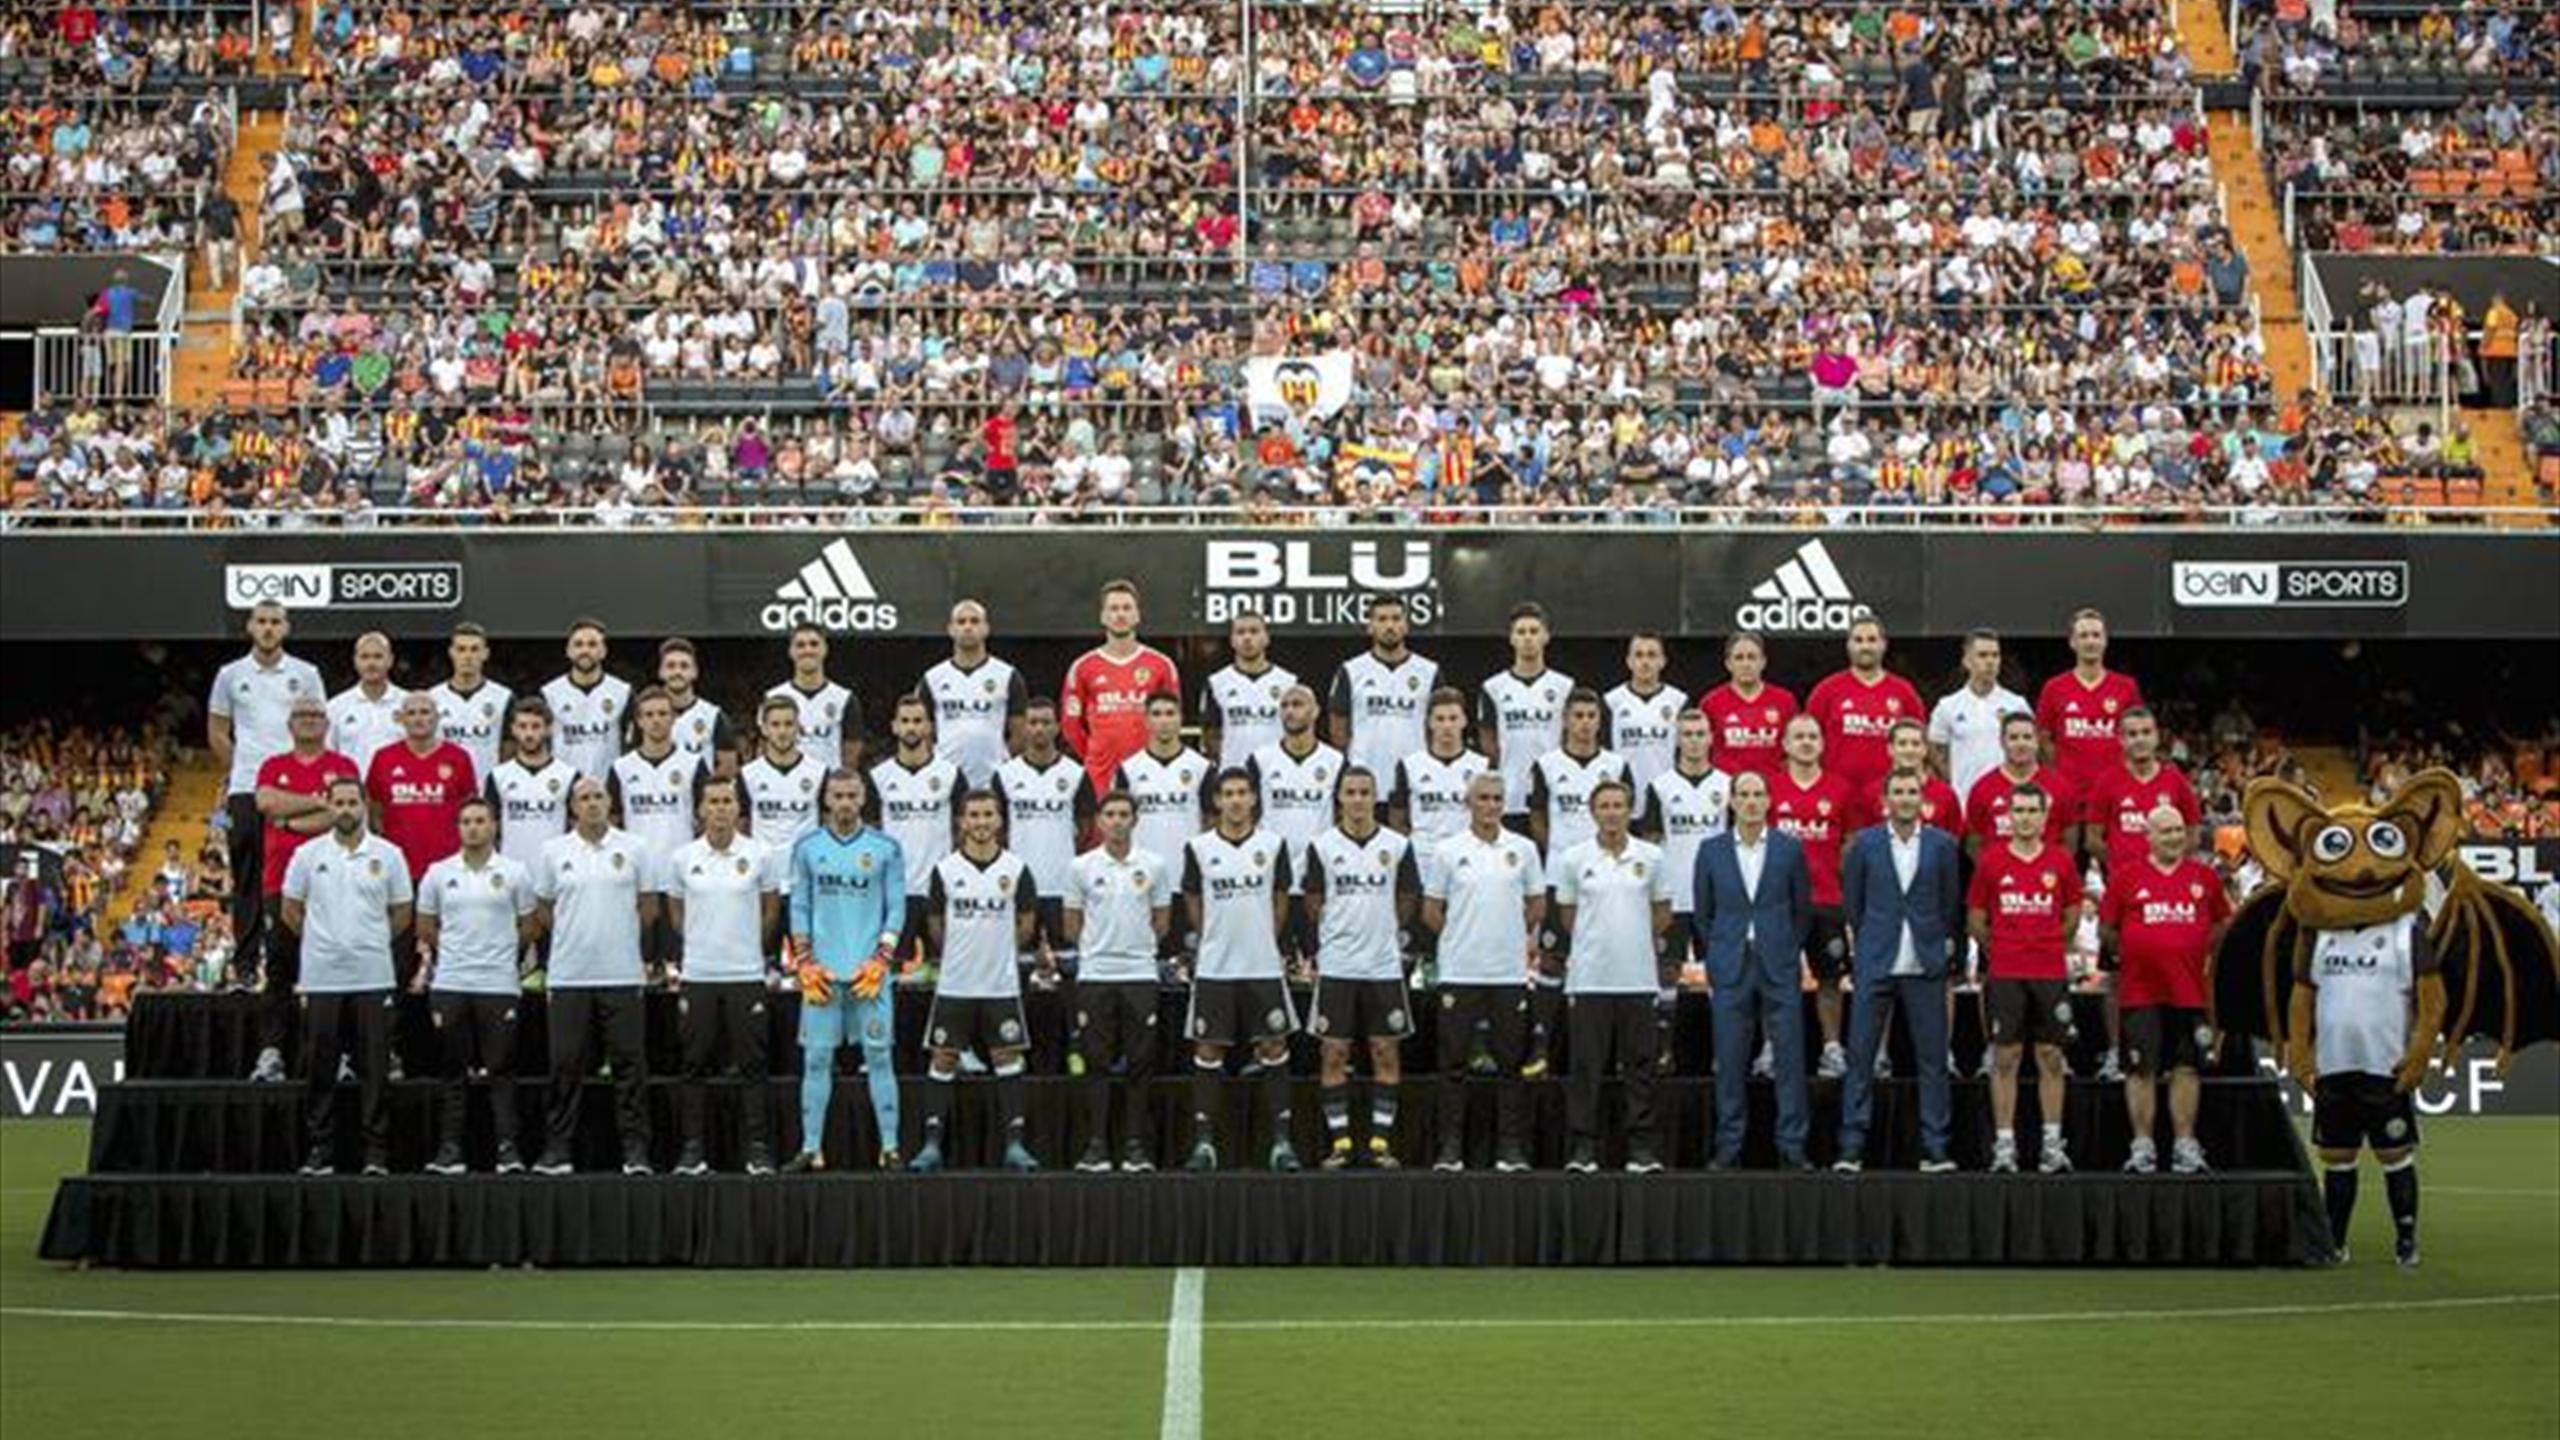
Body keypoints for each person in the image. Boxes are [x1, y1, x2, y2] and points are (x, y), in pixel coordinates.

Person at [2291, 879, 2437, 1268]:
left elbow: (2430, 998)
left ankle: (2406, 1239)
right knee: (2337, 1157)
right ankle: (2335, 1242)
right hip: (2333, 1066)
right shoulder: (2321, 934)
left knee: (2394, 1154)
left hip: (2385, 1067)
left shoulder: (2405, 932)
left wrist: (2420, 1051)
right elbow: (2302, 995)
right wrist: (2300, 1053)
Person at [278, 776, 412, 1176]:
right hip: (322, 979)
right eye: (339, 802)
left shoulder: (390, 855)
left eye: (353, 802)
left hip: (373, 977)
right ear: (329, 806)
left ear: (365, 806)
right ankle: (321, 1150)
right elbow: (290, 910)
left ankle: (376, 1153)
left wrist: (368, 943)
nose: (346, 810)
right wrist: (324, 944)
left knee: (375, 1071)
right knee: (320, 1070)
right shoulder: (307, 854)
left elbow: (402, 913)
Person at [1835, 772, 1964, 1174]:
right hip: (1876, 961)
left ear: (1922, 798)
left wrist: (1939, 948)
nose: (1906, 798)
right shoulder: (1864, 845)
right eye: (1898, 792)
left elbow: (1950, 904)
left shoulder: (1943, 846)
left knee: (1933, 1061)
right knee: (1860, 1058)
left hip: (1925, 964)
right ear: (1885, 799)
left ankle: (1935, 1147)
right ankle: (1852, 1147)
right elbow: (1854, 905)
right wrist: (1870, 941)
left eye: (1912, 792)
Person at [531, 776, 658, 1176]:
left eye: (598, 796)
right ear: (572, 807)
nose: (592, 803)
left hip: (622, 974)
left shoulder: (635, 848)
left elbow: (648, 907)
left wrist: (619, 937)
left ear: (610, 803)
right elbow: (544, 907)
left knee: (629, 1067)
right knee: (564, 1067)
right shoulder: (553, 851)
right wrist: (575, 935)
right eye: (584, 798)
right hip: (569, 975)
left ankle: (636, 1152)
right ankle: (558, 1150)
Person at [912, 791, 1042, 1172]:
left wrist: (998, 952)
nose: (981, 822)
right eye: (974, 815)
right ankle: (931, 1146)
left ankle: (1015, 1146)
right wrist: (960, 955)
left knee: (1007, 1057)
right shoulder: (945, 870)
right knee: (943, 1057)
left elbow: (1026, 925)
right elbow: (936, 927)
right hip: (955, 985)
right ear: (961, 821)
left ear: (999, 820)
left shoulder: (1016, 869)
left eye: (988, 814)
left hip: (1001, 986)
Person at [786, 770, 908, 1171]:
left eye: (851, 795)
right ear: (825, 799)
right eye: (837, 795)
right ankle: (811, 1148)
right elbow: (799, 906)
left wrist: (882, 959)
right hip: (821, 974)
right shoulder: (807, 847)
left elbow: (896, 908)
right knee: (816, 1059)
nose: (844, 803)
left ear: (863, 798)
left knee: (879, 1057)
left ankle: (890, 1147)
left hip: (869, 974)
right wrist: (805, 961)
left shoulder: (886, 848)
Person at [1420, 772, 1543, 1171]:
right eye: (1483, 798)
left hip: (1508, 973)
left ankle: (1510, 1150)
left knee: (1511, 1066)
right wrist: (1460, 937)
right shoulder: (1447, 850)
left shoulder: (1523, 849)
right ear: (1468, 803)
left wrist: (1509, 936)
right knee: (1453, 1066)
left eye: (1497, 799)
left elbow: (1536, 904)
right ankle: (1450, 1149)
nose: (1490, 805)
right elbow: (1431, 910)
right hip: (1460, 972)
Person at [661, 777, 782, 1175]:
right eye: (712, 801)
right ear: (699, 810)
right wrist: (702, 944)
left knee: (753, 1066)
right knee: (693, 1065)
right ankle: (692, 1150)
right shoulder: (682, 858)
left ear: (738, 809)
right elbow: (676, 914)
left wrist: (747, 946)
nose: (720, 808)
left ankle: (758, 1150)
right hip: (698, 975)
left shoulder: (760, 855)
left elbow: (770, 911)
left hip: (745, 975)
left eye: (727, 801)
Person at [1692, 772, 1812, 1169]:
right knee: (1729, 1061)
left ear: (1769, 800)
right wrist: (1720, 950)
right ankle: (1729, 1146)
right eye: (1743, 794)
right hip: (1731, 965)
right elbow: (1704, 914)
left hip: (1778, 962)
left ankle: (1792, 1145)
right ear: (1731, 801)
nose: (1750, 802)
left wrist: (1785, 946)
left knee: (1790, 1059)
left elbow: (1801, 911)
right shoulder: (1711, 850)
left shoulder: (1788, 849)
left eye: (1758, 794)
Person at [1180, 769, 1297, 1171]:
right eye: (1227, 793)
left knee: (1274, 1047)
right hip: (1216, 967)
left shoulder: (1273, 844)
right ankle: (1204, 1145)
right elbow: (1193, 901)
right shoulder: (1199, 847)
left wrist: (1264, 937)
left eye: (1242, 793)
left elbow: (1280, 898)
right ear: (1216, 801)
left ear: (1253, 799)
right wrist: (1212, 936)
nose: (1234, 800)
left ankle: (1281, 1144)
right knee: (1208, 1049)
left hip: (1262, 965)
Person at [2103, 804, 2230, 1175]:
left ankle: (2184, 1145)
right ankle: (2142, 1146)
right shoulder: (2126, 878)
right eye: (2166, 831)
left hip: (2189, 991)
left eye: (2178, 830)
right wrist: (2134, 952)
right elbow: (2107, 930)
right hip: (2140, 992)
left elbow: (2223, 922)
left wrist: (2198, 948)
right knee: (2140, 1070)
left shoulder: (2205, 878)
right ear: (2149, 837)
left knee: (2187, 1068)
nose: (2174, 837)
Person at [1302, 768, 1420, 1168]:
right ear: (1339, 798)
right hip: (1338, 965)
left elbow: (1406, 898)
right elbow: (1313, 902)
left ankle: (1380, 1144)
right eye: (1350, 792)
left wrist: (1384, 932)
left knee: (1385, 1052)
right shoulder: (1322, 846)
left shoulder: (1398, 846)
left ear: (1375, 797)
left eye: (1364, 792)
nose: (1357, 799)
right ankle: (1341, 1144)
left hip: (1383, 966)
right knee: (1334, 1053)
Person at [1555, 780, 1672, 1173]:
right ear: (1593, 812)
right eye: (1604, 805)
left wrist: (1631, 939)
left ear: (1629, 810)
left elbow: (1662, 913)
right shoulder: (1573, 858)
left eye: (1618, 805)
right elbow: (1569, 916)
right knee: (1586, 1069)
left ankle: (1641, 1150)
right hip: (1589, 980)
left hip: (1638, 979)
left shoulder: (1652, 856)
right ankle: (1582, 1149)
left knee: (1640, 1068)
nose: (1611, 812)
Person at [417, 796, 536, 1175]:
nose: (473, 827)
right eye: (466, 821)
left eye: (480, 820)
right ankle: (450, 1151)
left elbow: (529, 926)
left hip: (499, 984)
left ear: (495, 826)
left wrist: (501, 954)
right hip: (451, 982)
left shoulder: (515, 872)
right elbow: (425, 926)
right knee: (453, 1072)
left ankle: (508, 1150)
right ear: (458, 828)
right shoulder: (438, 872)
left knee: (502, 1071)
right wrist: (458, 952)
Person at [2081, 706, 2201, 1082]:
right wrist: (2125, 870)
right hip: (2125, 898)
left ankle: (2166, 1055)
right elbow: (2092, 838)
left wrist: (2168, 865)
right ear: (2120, 739)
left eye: (2145, 732)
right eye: (2131, 733)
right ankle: (2116, 1052)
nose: (2139, 740)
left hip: (2169, 896)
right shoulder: (2108, 782)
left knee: (2168, 976)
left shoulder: (2174, 781)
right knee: (2116, 978)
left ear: (2157, 735)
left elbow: (2193, 832)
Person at [1968, 784, 2082, 1174]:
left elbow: (2072, 913)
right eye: (2019, 810)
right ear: (2009, 816)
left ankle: (2052, 1144)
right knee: (2005, 1057)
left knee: (2051, 1056)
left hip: (2049, 972)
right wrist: (2004, 947)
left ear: (2045, 816)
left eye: (2033, 810)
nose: (2026, 817)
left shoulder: (2061, 860)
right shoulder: (1991, 862)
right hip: (2006, 973)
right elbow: (1976, 919)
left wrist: (2047, 943)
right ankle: (2005, 1145)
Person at [247, 695, 358, 1083]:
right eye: (301, 715)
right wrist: (316, 803)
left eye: (315, 715)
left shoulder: (343, 766)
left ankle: (340, 1054)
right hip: (279, 882)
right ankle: (272, 1053)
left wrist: (290, 822)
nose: (309, 720)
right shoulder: (273, 765)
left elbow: (341, 815)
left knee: (336, 972)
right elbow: (266, 802)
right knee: (279, 969)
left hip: (334, 883)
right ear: (290, 724)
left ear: (327, 724)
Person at [210, 598, 325, 967]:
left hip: (295, 791)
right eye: (261, 621)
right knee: (247, 878)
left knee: (303, 874)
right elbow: (217, 731)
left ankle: (307, 959)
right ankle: (246, 964)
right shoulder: (230, 674)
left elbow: (318, 726)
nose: (268, 628)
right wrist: (242, 768)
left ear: (286, 628)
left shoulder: (306, 674)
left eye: (275, 621)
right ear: (250, 627)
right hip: (246, 789)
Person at [1064, 792, 1171, 1171]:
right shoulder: (1080, 866)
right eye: (1110, 814)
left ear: (1135, 820)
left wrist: (1135, 950)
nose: (1117, 821)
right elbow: (1071, 925)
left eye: (1124, 814)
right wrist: (1099, 951)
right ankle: (1096, 1146)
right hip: (1096, 975)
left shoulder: (1155, 865)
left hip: (1140, 975)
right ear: (1099, 821)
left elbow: (1161, 922)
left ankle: (1135, 1147)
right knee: (1096, 1063)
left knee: (1140, 1064)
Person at [367, 693, 477, 1006]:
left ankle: (447, 1027)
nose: (419, 718)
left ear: (437, 718)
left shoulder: (458, 758)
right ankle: (400, 1029)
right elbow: (375, 809)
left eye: (425, 712)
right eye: (412, 712)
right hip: (399, 874)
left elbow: (469, 811)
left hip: (447, 875)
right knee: (400, 958)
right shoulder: (384, 758)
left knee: (449, 954)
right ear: (401, 719)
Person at [1767, 714, 1854, 1077]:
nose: (1806, 742)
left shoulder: (1840, 789)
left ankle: (1831, 1049)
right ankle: (1774, 1049)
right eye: (1799, 736)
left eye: (1813, 736)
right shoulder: (1770, 788)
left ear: (1822, 743)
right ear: (1785, 744)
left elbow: (1849, 843)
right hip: (1780, 902)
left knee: (1830, 979)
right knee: (1777, 978)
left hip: (1827, 900)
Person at [991, 697, 1091, 978]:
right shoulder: (1005, 775)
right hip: (1019, 886)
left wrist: (1065, 852)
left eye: (1046, 722)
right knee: (1018, 966)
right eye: (1033, 722)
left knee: (1070, 965)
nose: (1039, 729)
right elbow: (998, 829)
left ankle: (1071, 1009)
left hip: (1063, 885)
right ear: (1023, 727)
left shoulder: (1075, 774)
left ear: (1057, 727)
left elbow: (1085, 828)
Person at [610, 687, 707, 976]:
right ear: (639, 720)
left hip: (679, 879)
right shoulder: (621, 768)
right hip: (638, 881)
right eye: (649, 714)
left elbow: (706, 817)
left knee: (679, 967)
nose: (656, 720)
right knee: (641, 967)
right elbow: (612, 822)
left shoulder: (693, 764)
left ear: (674, 718)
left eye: (663, 713)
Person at [1247, 685, 1344, 971]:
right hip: (1273, 881)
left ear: (1315, 712)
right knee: (1272, 966)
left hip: (1316, 881)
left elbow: (1343, 817)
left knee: (1317, 967)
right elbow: (1249, 816)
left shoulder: (1335, 761)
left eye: (1298, 704)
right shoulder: (1261, 760)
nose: (1290, 711)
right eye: (1285, 705)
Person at [1640, 710, 1732, 996]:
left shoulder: (1728, 785)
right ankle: (1665, 1025)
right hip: (1674, 895)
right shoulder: (1660, 786)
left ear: (1711, 738)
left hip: (1716, 896)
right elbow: (1650, 844)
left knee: (1722, 970)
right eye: (1688, 734)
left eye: (1700, 734)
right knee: (1666, 970)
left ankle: (1723, 1024)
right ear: (1677, 739)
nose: (1694, 741)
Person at [1062, 578, 1181, 798]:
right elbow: (1071, 726)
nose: (1120, 615)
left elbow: (1173, 719)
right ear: (1103, 616)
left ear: (1137, 615)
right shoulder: (1083, 667)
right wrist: (1096, 754)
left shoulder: (1161, 665)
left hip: (1149, 771)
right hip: (1100, 774)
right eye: (1114, 608)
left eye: (1127, 608)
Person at [872, 693, 959, 959]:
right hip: (895, 893)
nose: (911, 727)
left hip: (939, 892)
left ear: (929, 726)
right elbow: (871, 836)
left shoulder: (951, 775)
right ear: (894, 726)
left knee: (942, 967)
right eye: (905, 721)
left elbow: (963, 831)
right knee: (894, 970)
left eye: (918, 721)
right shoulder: (879, 777)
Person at [1804, 617, 1926, 800]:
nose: (1865, 646)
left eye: (1872, 640)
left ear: (1884, 644)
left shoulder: (1903, 692)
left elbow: (1920, 743)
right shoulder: (1826, 690)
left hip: (1890, 796)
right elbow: (1806, 744)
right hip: (1837, 795)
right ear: (1848, 645)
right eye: (1858, 640)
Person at [2035, 608, 2143, 807]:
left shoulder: (2126, 687)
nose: (2090, 641)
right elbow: (2043, 738)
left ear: (2105, 640)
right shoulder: (2054, 688)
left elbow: (2137, 736)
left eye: (2096, 635)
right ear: (2072, 642)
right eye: (2083, 636)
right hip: (2068, 793)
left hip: (2114, 792)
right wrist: (2058, 775)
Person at [1479, 602, 1574, 820]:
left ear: (1546, 636)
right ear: (1511, 638)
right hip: (1510, 795)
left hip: (1555, 792)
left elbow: (1570, 736)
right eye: (1521, 632)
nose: (1528, 638)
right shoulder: (1493, 687)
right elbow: (1488, 740)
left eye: (1534, 631)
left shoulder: (1565, 686)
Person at [1388, 687, 1489, 893]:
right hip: (1423, 861)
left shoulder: (1482, 766)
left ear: (1464, 721)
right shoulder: (1409, 765)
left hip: (1467, 859)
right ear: (1429, 722)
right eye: (1440, 719)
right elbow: (1398, 819)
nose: (1447, 726)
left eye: (1453, 718)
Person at [1328, 594, 1439, 779]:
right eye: (1382, 619)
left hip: (1416, 777)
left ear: (1406, 625)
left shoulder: (1429, 671)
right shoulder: (1351, 670)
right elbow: (1338, 727)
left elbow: (1437, 726)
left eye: (1396, 618)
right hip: (1364, 779)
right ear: (1370, 626)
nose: (1389, 626)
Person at [920, 600, 1028, 789]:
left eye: (974, 621)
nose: (968, 627)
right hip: (946, 781)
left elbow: (1020, 733)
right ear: (950, 629)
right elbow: (923, 733)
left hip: (994, 780)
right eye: (961, 622)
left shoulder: (1007, 675)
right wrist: (936, 766)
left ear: (986, 628)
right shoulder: (933, 678)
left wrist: (1003, 764)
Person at [1927, 629, 2027, 802]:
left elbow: (2030, 752)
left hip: (2008, 802)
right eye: (1982, 655)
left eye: (1995, 655)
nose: (1990, 661)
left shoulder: (2017, 705)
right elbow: (1935, 750)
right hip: (1963, 800)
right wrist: (1953, 780)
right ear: (1966, 661)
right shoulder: (1947, 706)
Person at [484, 698, 574, 874]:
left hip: (555, 871)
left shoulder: (568, 776)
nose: (529, 733)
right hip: (511, 872)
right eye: (523, 726)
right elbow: (489, 830)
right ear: (513, 729)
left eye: (536, 726)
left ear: (548, 729)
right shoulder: (497, 777)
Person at [1602, 632, 1689, 812]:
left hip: (1668, 800)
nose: (1645, 662)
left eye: (1652, 655)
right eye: (1639, 655)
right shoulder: (1612, 701)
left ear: (1662, 661)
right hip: (1623, 804)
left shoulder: (1678, 701)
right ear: (1629, 661)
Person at [1202, 609, 1297, 770]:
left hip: (1276, 772)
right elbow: (1210, 733)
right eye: (1240, 632)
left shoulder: (1288, 682)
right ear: (1232, 640)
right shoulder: (1217, 682)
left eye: (1254, 631)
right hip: (1234, 774)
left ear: (1266, 638)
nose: (1247, 638)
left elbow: (1297, 731)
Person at [1698, 631, 1796, 781]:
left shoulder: (1785, 701)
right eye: (1739, 658)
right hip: (1726, 786)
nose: (1746, 664)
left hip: (1773, 786)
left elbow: (1794, 750)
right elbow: (1701, 751)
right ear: (1728, 664)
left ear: (1763, 662)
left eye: (1752, 657)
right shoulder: (1711, 703)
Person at [542, 619, 631, 783]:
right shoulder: (550, 693)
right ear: (568, 651)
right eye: (578, 644)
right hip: (562, 787)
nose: (585, 650)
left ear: (604, 651)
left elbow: (632, 745)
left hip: (606, 788)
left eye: (592, 644)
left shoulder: (622, 692)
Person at [768, 624, 865, 772]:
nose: (807, 650)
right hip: (786, 782)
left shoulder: (845, 698)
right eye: (800, 645)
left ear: (825, 649)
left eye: (814, 644)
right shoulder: (773, 697)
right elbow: (765, 748)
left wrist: (839, 781)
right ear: (791, 651)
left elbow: (852, 751)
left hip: (829, 782)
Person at [427, 622, 513, 783]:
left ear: (485, 653)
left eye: (474, 649)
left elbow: (509, 751)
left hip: (487, 789)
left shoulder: (503, 697)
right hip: (445, 788)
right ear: (451, 652)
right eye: (461, 649)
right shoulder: (432, 698)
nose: (467, 656)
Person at [740, 695, 827, 851]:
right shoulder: (748, 774)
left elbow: (828, 825)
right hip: (763, 864)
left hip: (804, 863)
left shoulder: (819, 772)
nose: (782, 731)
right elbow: (741, 828)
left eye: (788, 724)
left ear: (798, 727)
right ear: (764, 729)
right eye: (775, 725)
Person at [326, 631, 407, 778]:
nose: (371, 664)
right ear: (355, 661)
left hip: (399, 787)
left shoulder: (408, 704)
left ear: (390, 660)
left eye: (378, 656)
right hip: (352, 789)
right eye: (365, 657)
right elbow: (328, 756)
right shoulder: (336, 707)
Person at [655, 638, 734, 775]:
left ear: (695, 672)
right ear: (660, 672)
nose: (677, 672)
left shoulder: (713, 715)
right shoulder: (647, 714)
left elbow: (728, 766)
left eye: (684, 666)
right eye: (670, 666)